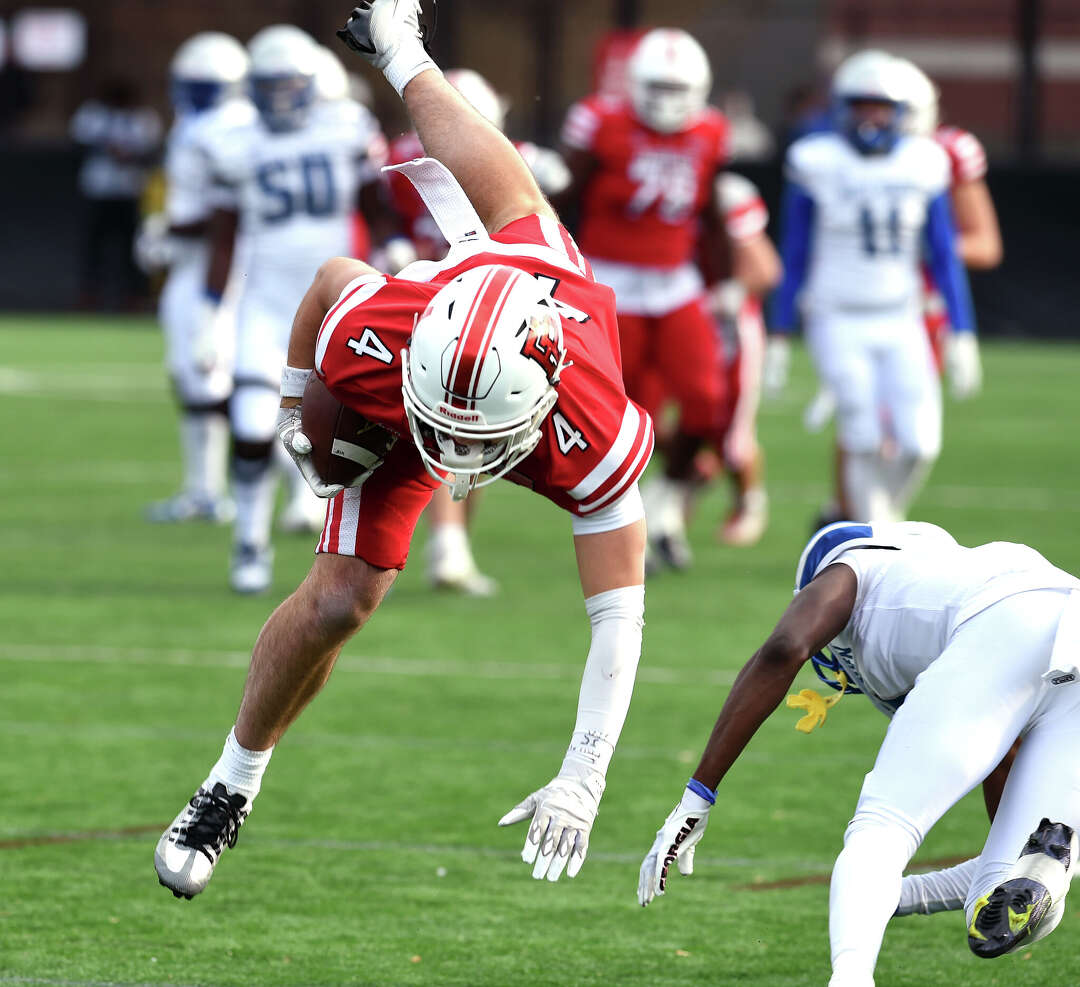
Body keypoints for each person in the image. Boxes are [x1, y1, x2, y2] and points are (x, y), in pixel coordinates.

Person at [154, 0, 653, 899]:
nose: (456, 459)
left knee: (517, 199)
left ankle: (402, 45)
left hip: (524, 312)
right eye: (445, 436)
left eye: (476, 446)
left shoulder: (593, 420)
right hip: (416, 368)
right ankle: (230, 781)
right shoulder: (383, 332)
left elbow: (618, 618)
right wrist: (300, 405)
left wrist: (587, 770)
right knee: (342, 601)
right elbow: (332, 283)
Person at [638, 520, 1080, 985]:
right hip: (1068, 618)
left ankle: (850, 978)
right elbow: (1002, 796)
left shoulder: (854, 565)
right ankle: (1050, 870)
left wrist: (698, 793)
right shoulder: (943, 581)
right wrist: (881, 894)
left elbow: (786, 646)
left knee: (882, 830)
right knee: (1001, 886)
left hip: (1001, 621)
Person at [194, 25, 389, 592]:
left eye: (289, 85)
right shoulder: (234, 142)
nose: (279, 97)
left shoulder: (345, 128)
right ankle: (250, 543)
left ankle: (341, 551)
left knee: (344, 433)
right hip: (265, 304)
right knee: (254, 427)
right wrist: (212, 314)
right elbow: (224, 239)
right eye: (268, 86)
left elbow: (375, 204)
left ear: (311, 85)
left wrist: (390, 249)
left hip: (335, 302)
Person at [765, 50, 979, 526]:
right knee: (860, 435)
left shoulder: (924, 162)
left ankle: (884, 522)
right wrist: (778, 333)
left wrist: (962, 332)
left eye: (880, 107)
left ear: (901, 113)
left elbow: (943, 253)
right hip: (836, 315)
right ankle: (878, 537)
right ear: (842, 107)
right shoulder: (816, 159)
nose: (870, 117)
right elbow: (795, 252)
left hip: (901, 316)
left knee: (921, 442)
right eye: (860, 105)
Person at [382, 67, 570, 596]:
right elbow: (388, 218)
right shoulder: (404, 162)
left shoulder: (522, 164)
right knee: (449, 415)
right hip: (442, 304)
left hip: (495, 303)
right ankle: (447, 545)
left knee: (481, 427)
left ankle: (454, 542)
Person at [559, 28, 730, 571]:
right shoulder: (599, 122)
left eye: (679, 87)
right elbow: (563, 201)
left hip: (676, 282)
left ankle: (665, 503)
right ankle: (635, 515)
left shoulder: (711, 131)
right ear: (633, 84)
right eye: (656, 86)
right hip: (611, 284)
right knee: (627, 414)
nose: (667, 99)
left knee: (707, 399)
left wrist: (722, 282)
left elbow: (711, 213)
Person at [139, 32, 249, 525]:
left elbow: (228, 216)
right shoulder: (195, 125)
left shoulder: (235, 129)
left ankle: (230, 490)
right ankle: (202, 488)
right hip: (194, 263)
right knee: (188, 374)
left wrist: (168, 229)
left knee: (215, 378)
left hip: (221, 266)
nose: (193, 95)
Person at [70, 78, 162, 311]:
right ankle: (89, 297)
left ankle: (133, 298)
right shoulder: (93, 115)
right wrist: (109, 149)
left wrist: (129, 156)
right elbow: (77, 145)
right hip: (97, 191)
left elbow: (153, 153)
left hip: (130, 191)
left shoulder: (144, 119)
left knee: (131, 250)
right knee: (93, 247)